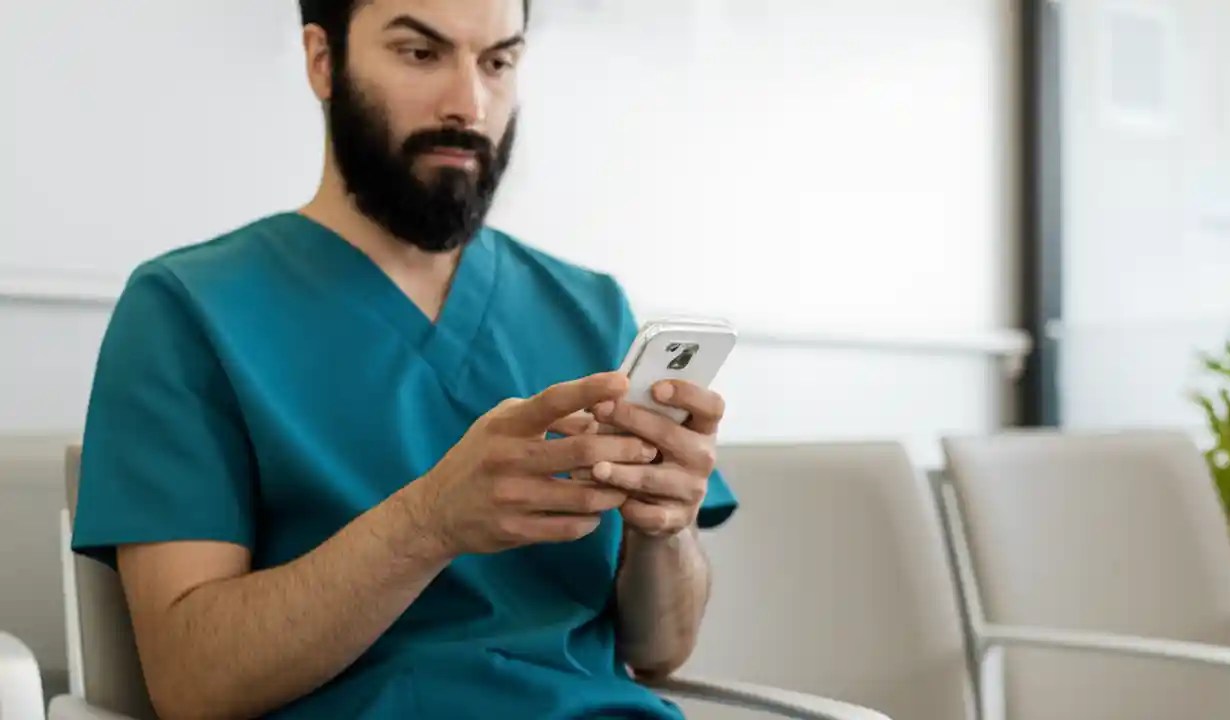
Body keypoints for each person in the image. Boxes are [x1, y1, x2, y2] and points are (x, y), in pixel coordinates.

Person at [70, 0, 737, 717]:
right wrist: (430, 523)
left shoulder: (593, 310)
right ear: (324, 61)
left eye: (498, 61)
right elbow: (191, 682)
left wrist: (662, 529)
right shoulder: (186, 309)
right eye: (421, 53)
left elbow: (660, 649)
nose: (468, 103)